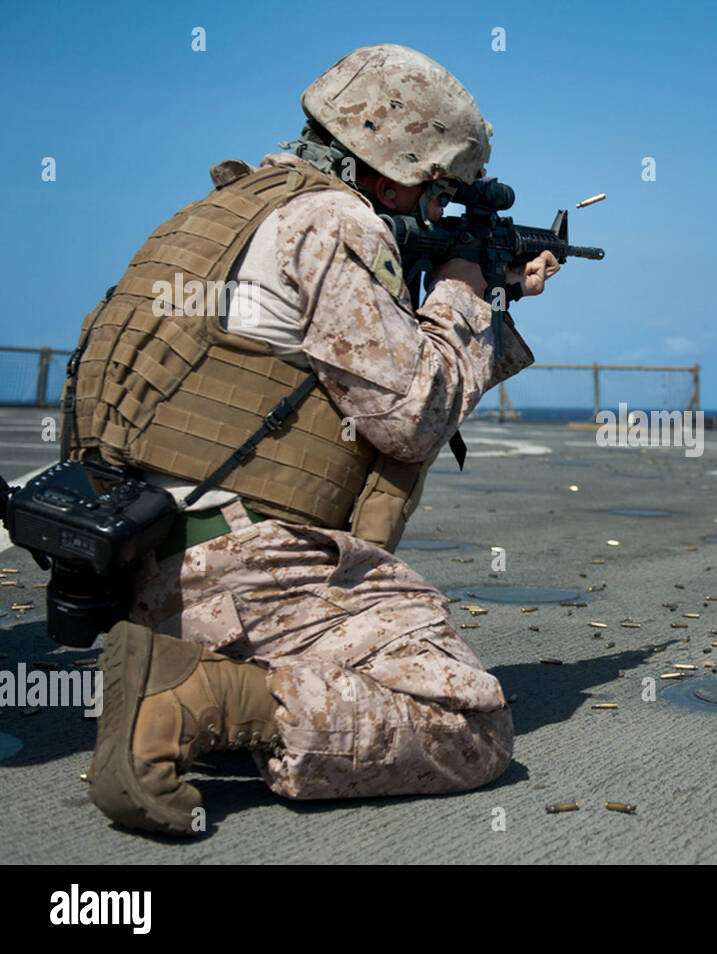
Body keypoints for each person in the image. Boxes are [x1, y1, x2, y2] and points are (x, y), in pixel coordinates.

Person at [69, 44, 560, 836]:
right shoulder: (335, 221)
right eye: (438, 197)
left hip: (138, 556)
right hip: (241, 572)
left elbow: (332, 374)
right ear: (399, 172)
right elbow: (411, 417)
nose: (435, 215)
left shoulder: (223, 211)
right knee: (470, 725)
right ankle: (194, 696)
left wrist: (492, 295)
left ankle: (192, 668)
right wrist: (467, 292)